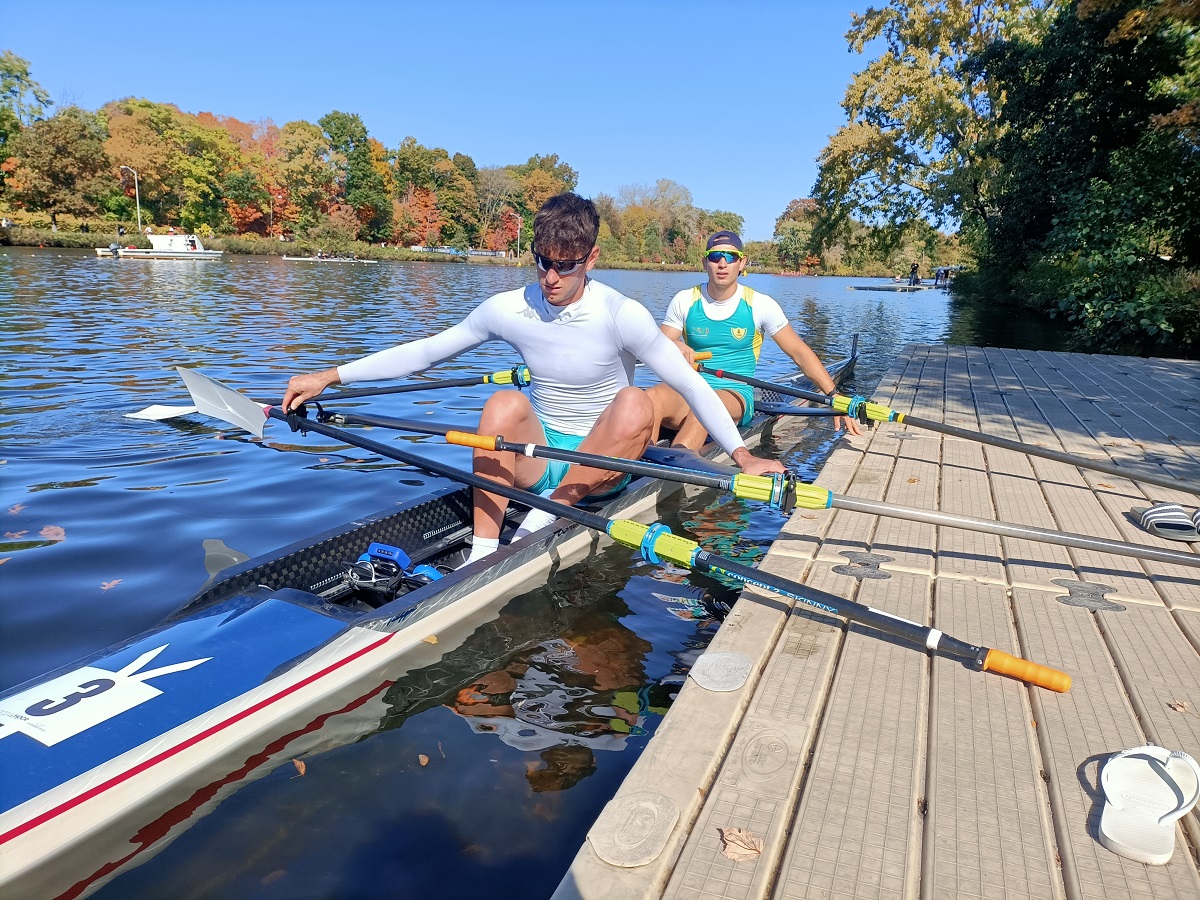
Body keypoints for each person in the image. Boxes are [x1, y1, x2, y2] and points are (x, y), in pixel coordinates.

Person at [283, 193, 784, 566]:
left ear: (591, 258)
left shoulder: (620, 314)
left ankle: (541, 521)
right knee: (503, 404)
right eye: (543, 262)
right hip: (540, 456)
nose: (551, 278)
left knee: (636, 402)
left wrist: (742, 457)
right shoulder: (509, 308)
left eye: (566, 266)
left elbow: (694, 387)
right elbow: (426, 352)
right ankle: (484, 551)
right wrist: (331, 375)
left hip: (602, 464)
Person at [647, 230, 861, 450]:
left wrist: (835, 396)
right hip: (689, 388)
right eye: (715, 256)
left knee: (707, 405)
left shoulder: (760, 304)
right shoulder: (685, 300)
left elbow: (799, 353)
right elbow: (656, 346)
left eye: (730, 258)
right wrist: (675, 344)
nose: (722, 263)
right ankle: (634, 464)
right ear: (705, 262)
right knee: (651, 397)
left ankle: (672, 468)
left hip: (734, 394)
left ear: (742, 263)